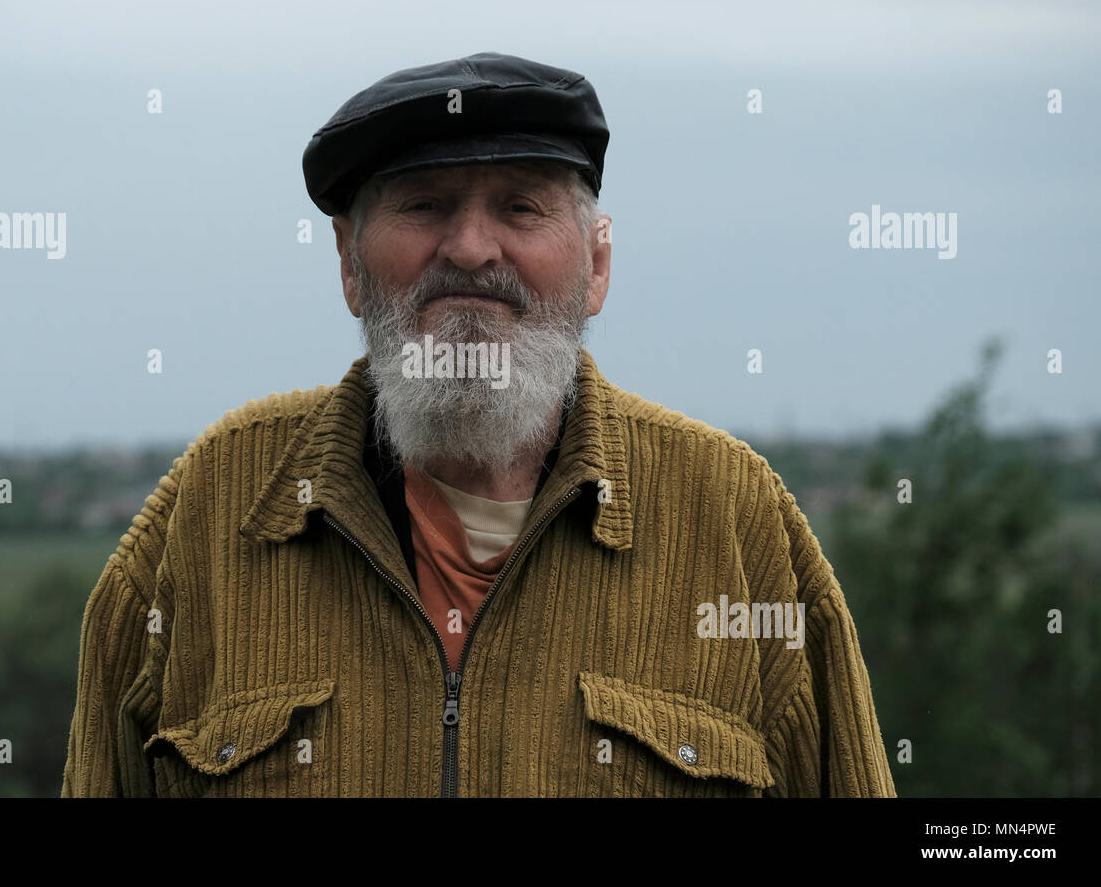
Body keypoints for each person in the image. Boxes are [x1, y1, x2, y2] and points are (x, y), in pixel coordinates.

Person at [61, 51, 896, 797]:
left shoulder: (735, 516)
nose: (469, 248)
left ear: (596, 265)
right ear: (349, 265)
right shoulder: (214, 505)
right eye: (423, 205)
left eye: (521, 207)